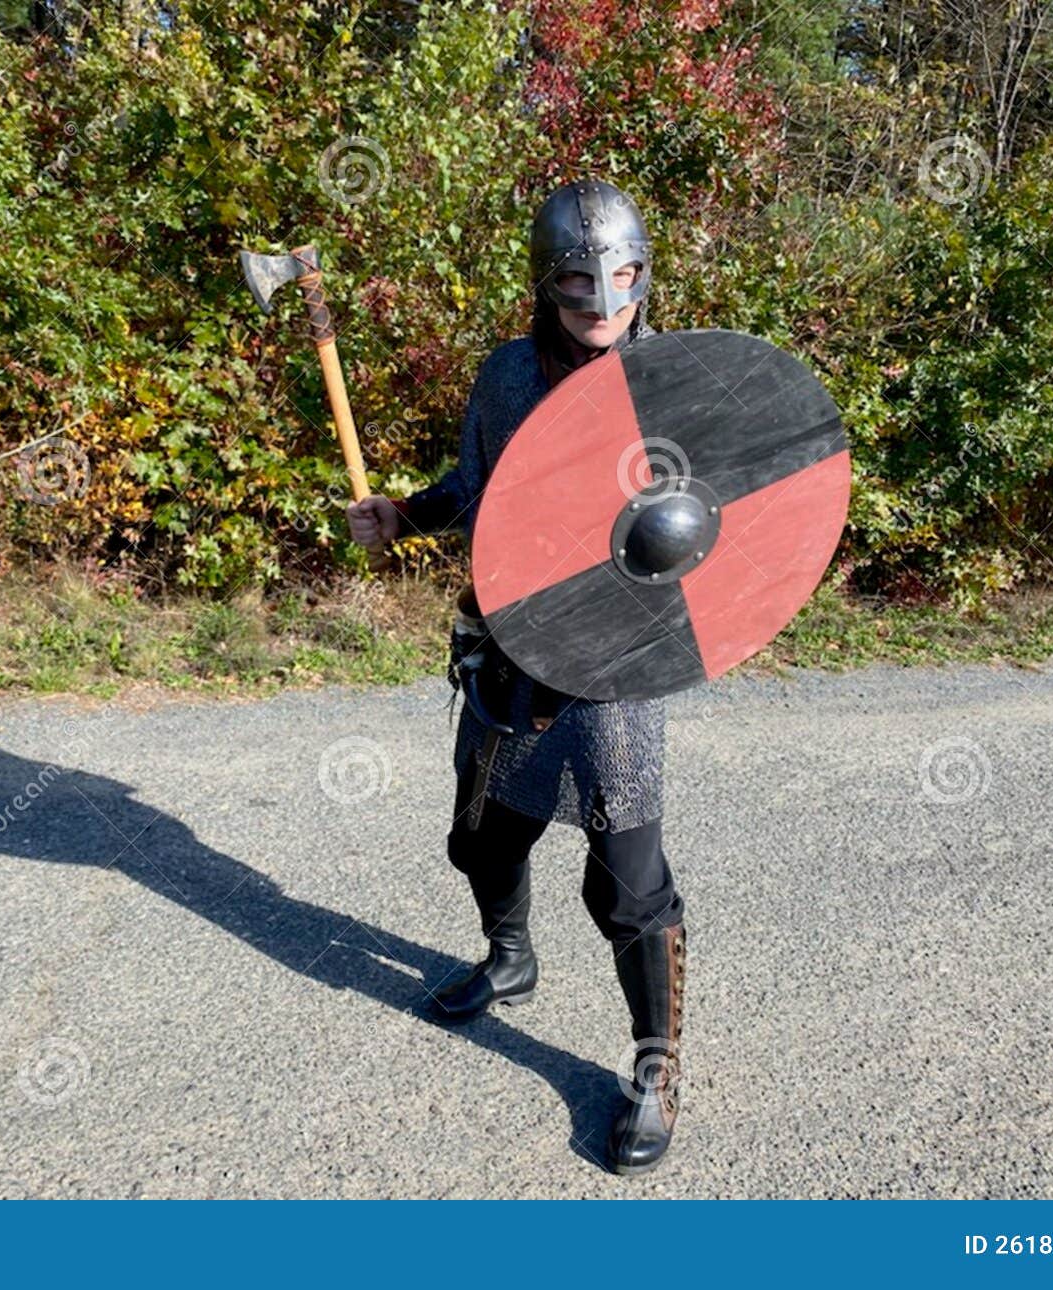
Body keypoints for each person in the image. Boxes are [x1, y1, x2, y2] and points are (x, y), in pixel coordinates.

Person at [347, 179, 686, 1176]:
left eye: (622, 281)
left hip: (613, 666)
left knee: (628, 891)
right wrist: (405, 514)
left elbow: (733, 520)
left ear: (645, 277)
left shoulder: (676, 385)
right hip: (504, 645)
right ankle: (510, 957)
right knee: (479, 842)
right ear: (546, 285)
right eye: (580, 284)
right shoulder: (504, 378)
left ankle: (655, 1070)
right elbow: (473, 492)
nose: (603, 302)